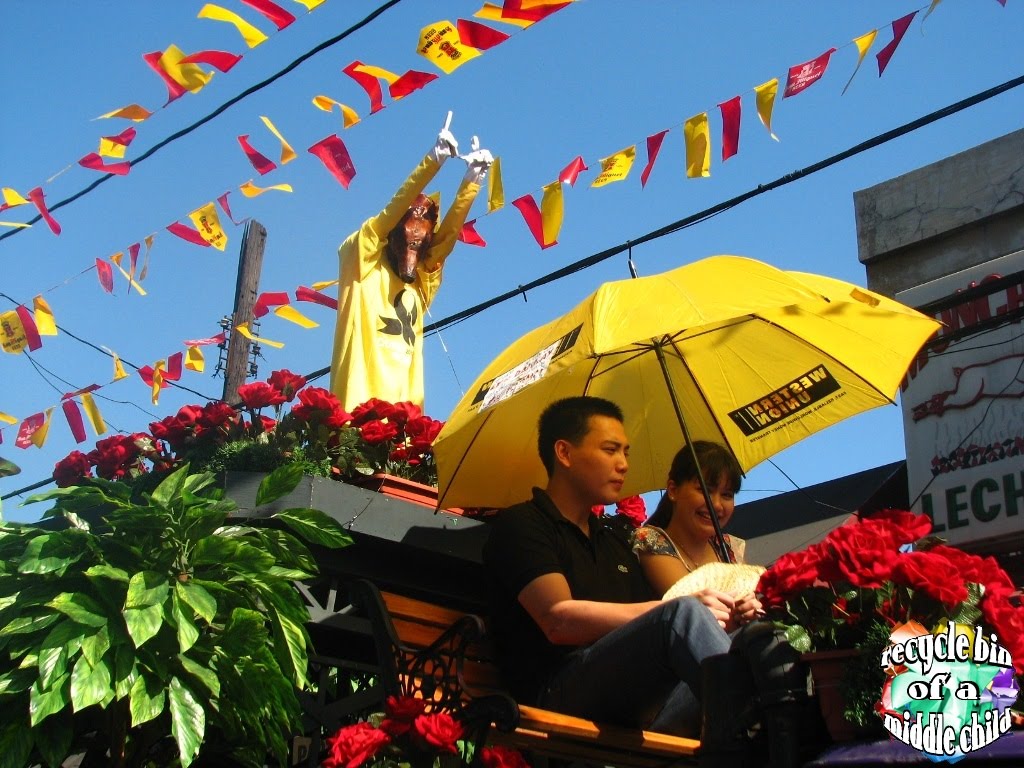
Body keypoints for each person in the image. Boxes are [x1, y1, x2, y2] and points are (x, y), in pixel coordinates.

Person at [482, 396, 731, 737]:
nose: (623, 464)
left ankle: (764, 734)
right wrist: (674, 610)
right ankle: (760, 733)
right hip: (556, 696)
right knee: (683, 613)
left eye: (626, 452)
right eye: (610, 450)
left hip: (638, 706)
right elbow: (557, 620)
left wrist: (732, 616)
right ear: (564, 453)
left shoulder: (615, 541)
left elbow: (653, 630)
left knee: (751, 637)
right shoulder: (524, 524)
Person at [329, 112, 493, 412]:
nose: (413, 248)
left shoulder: (420, 284)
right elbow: (389, 213)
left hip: (403, 426)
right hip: (354, 416)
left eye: (421, 241)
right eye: (406, 237)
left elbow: (444, 244)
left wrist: (472, 181)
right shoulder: (361, 262)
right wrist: (433, 160)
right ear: (392, 234)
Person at [632, 442, 763, 631]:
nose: (716, 504)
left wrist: (752, 609)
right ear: (673, 490)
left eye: (727, 495)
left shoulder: (729, 548)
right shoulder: (651, 541)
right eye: (705, 490)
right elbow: (694, 612)